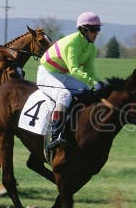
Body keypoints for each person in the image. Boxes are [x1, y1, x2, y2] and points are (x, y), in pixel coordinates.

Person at [38, 11, 103, 150]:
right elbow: (74, 70)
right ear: (84, 30)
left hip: (61, 74)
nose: (96, 33)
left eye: (98, 29)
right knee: (64, 95)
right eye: (94, 30)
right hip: (46, 73)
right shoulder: (72, 43)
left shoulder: (91, 47)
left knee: (86, 89)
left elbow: (90, 72)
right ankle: (55, 135)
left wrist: (98, 84)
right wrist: (92, 83)